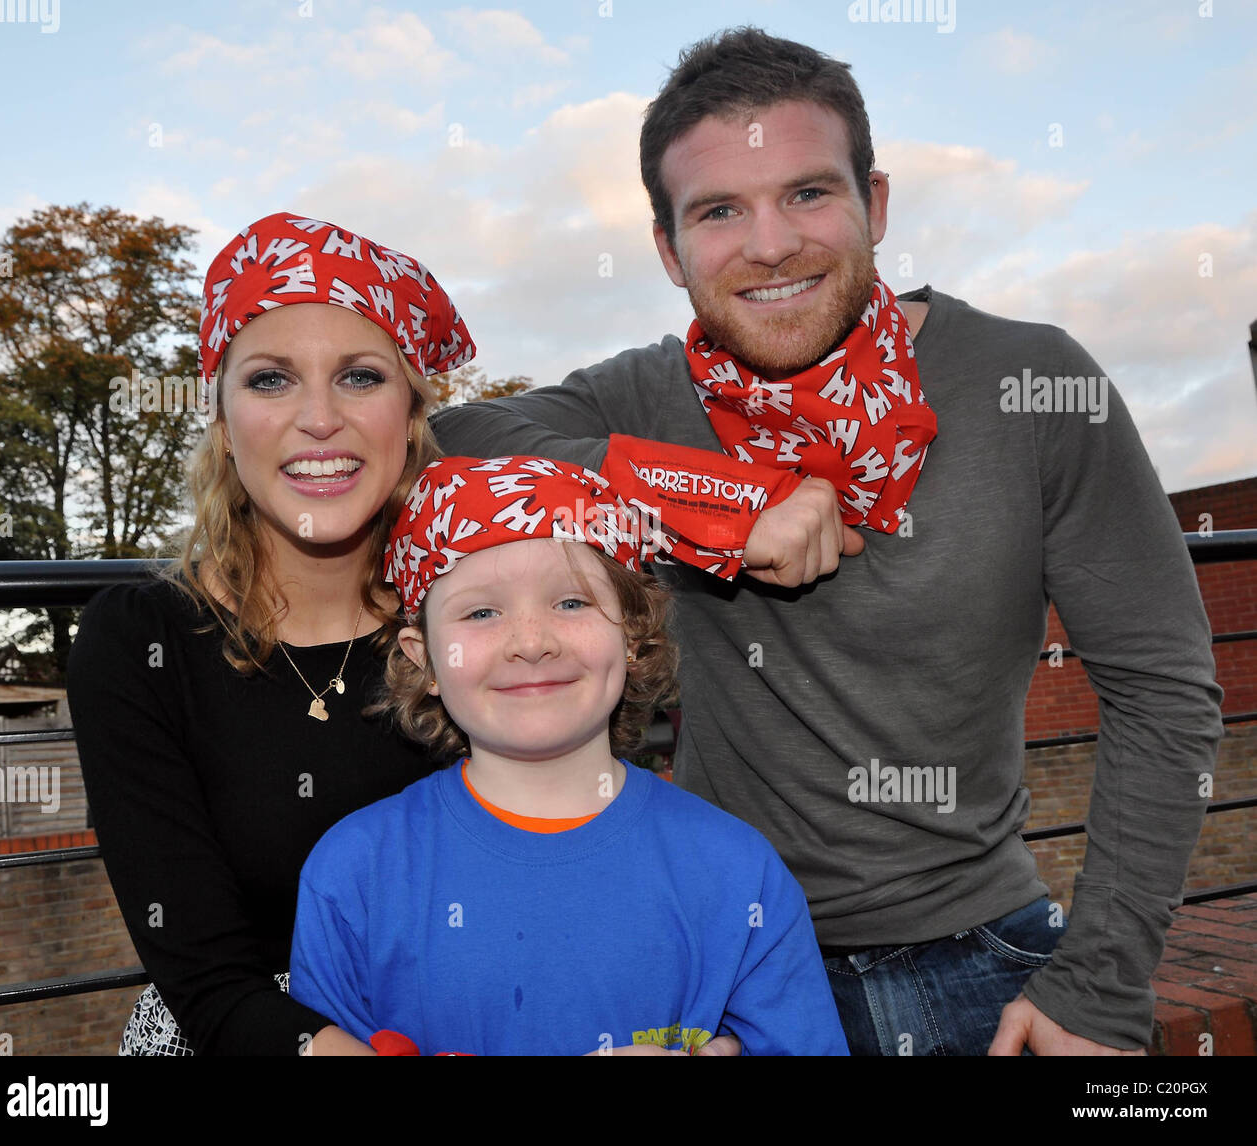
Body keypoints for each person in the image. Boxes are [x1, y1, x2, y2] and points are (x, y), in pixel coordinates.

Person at [430, 29, 1225, 1055]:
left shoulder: (1033, 384)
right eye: (719, 211)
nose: (769, 244)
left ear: (875, 205)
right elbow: (447, 442)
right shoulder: (647, 395)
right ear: (670, 251)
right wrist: (719, 504)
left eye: (807, 193)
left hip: (979, 957)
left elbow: (1162, 681)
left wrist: (1102, 979)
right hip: (711, 969)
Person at [67, 211, 476, 1055]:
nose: (318, 418)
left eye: (361, 377)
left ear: (412, 416)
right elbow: (205, 975)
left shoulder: (475, 620)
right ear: (221, 421)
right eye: (271, 380)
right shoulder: (138, 640)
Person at [288, 455, 849, 1055]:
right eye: (481, 612)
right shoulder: (356, 873)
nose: (532, 643)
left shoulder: (739, 872)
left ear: (631, 637)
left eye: (573, 603)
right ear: (423, 659)